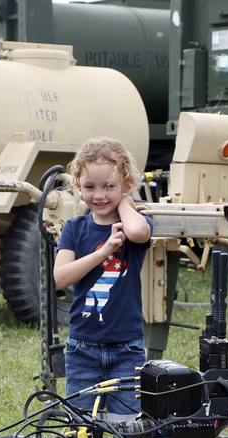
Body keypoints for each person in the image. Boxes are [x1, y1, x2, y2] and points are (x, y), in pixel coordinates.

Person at [54, 137, 153, 420]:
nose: (99, 195)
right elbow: (61, 277)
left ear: (126, 183)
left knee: (127, 431)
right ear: (78, 185)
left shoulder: (133, 224)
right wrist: (105, 251)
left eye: (109, 186)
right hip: (82, 348)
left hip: (127, 349)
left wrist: (124, 203)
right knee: (83, 430)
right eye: (90, 187)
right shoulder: (75, 228)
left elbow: (136, 233)